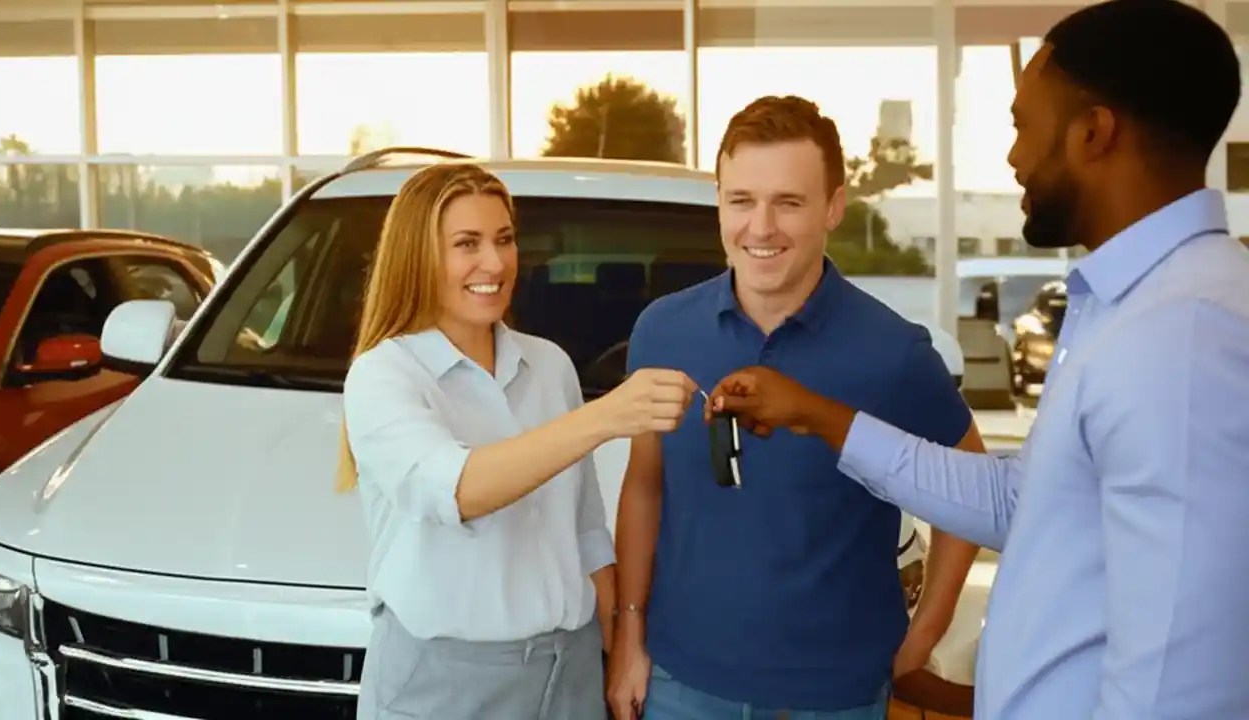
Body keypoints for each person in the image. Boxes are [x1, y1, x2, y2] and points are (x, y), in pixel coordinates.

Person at [705, 1, 1249, 718]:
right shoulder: (1126, 304)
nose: (1013, 156)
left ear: (1093, 133)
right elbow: (1016, 501)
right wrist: (821, 418)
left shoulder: (1185, 334)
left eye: (1024, 124)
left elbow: (1180, 682)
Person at [607, 95, 988, 720]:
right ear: (719, 201)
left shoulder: (892, 351)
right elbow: (645, 485)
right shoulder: (662, 331)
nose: (761, 228)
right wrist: (629, 633)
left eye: (788, 202)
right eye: (742, 201)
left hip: (835, 696)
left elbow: (971, 496)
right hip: (683, 683)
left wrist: (922, 637)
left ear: (833, 206)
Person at [337, 162, 697, 719]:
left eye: (504, 240)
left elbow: (585, 532)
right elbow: (457, 489)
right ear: (418, 256)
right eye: (467, 243)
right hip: (447, 686)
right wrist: (606, 416)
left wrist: (622, 645)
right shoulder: (384, 375)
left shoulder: (549, 365)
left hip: (570, 673)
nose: (495, 262)